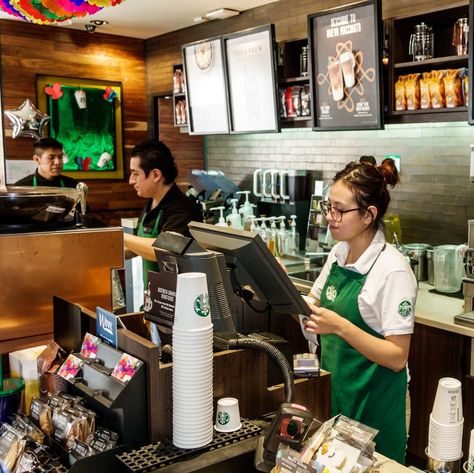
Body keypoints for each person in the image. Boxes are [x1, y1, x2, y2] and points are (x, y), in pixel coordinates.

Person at [300, 157, 417, 464]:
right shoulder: (339, 253)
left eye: (340, 210)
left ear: (369, 215)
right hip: (340, 397)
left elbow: (397, 356)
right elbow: (312, 306)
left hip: (377, 407)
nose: (330, 217)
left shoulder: (393, 271)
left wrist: (339, 326)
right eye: (328, 207)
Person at [124, 139, 203, 288]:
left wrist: (120, 236)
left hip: (179, 301)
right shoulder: (151, 203)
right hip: (154, 299)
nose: (131, 181)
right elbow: (139, 246)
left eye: (135, 174)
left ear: (155, 175)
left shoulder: (183, 209)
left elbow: (164, 250)